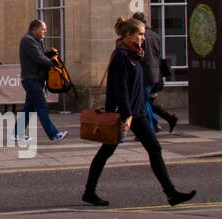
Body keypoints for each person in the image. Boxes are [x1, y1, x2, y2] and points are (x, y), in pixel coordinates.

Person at [82, 17, 195, 207]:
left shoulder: (134, 55)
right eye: (140, 34)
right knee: (106, 152)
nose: (144, 37)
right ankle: (89, 192)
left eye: (143, 34)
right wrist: (126, 115)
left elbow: (135, 86)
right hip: (124, 113)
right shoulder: (120, 55)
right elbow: (120, 88)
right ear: (128, 35)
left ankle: (171, 193)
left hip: (137, 111)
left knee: (154, 149)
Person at [17, 19, 68, 143]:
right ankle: (54, 134)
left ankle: (17, 134)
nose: (45, 32)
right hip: (31, 79)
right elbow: (38, 58)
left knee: (29, 108)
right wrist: (52, 63)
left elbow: (40, 55)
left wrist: (49, 53)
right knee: (41, 107)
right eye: (43, 29)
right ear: (35, 29)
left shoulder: (34, 40)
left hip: (34, 79)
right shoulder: (28, 40)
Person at [133, 12, 177, 133]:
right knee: (147, 102)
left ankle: (150, 128)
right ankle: (158, 122)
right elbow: (157, 55)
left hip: (145, 73)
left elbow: (140, 56)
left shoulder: (140, 36)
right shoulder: (155, 35)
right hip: (155, 73)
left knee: (144, 102)